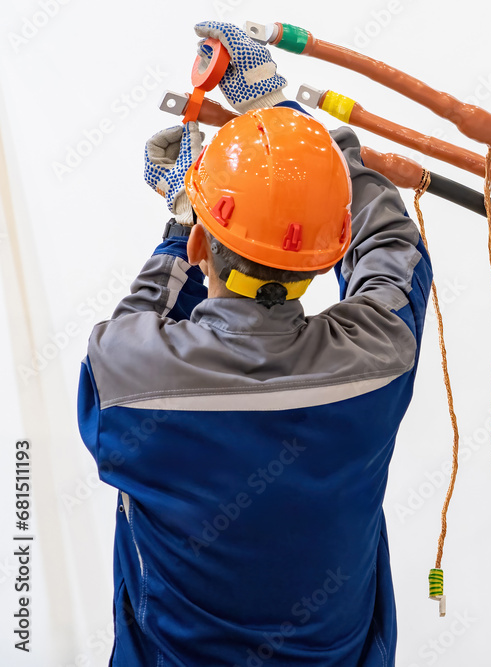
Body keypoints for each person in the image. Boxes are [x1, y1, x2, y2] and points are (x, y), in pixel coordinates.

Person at [77, 21, 431, 666]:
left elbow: (150, 316)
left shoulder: (125, 379)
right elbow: (393, 249)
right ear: (331, 256)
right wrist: (282, 113)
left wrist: (185, 207)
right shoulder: (378, 361)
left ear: (196, 247)